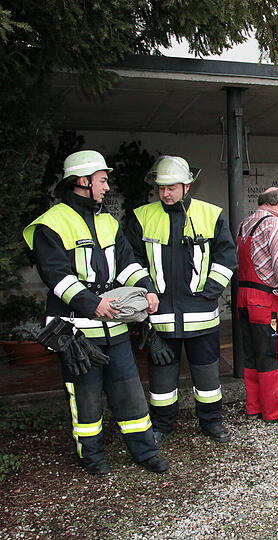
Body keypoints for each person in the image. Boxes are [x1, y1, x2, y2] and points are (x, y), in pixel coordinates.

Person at [23, 150, 168, 475]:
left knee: (130, 393)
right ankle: (92, 457)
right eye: (102, 180)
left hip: (114, 328)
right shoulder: (50, 224)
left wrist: (147, 288)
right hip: (76, 334)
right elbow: (56, 277)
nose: (107, 187)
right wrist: (92, 304)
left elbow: (127, 263)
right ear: (83, 181)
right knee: (85, 398)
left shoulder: (108, 222)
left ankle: (145, 452)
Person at [125, 156, 237, 445]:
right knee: (161, 380)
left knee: (208, 376)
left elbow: (227, 257)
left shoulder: (210, 214)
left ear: (187, 186)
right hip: (160, 316)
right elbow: (131, 260)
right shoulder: (141, 217)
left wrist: (210, 291)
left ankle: (212, 422)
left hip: (202, 316)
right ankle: (162, 425)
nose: (165, 193)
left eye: (171, 187)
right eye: (161, 188)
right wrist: (146, 290)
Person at [236, 187, 278, 423]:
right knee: (272, 354)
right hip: (266, 301)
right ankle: (274, 410)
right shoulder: (276, 224)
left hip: (244, 297)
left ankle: (253, 408)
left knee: (252, 355)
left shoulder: (245, 224)